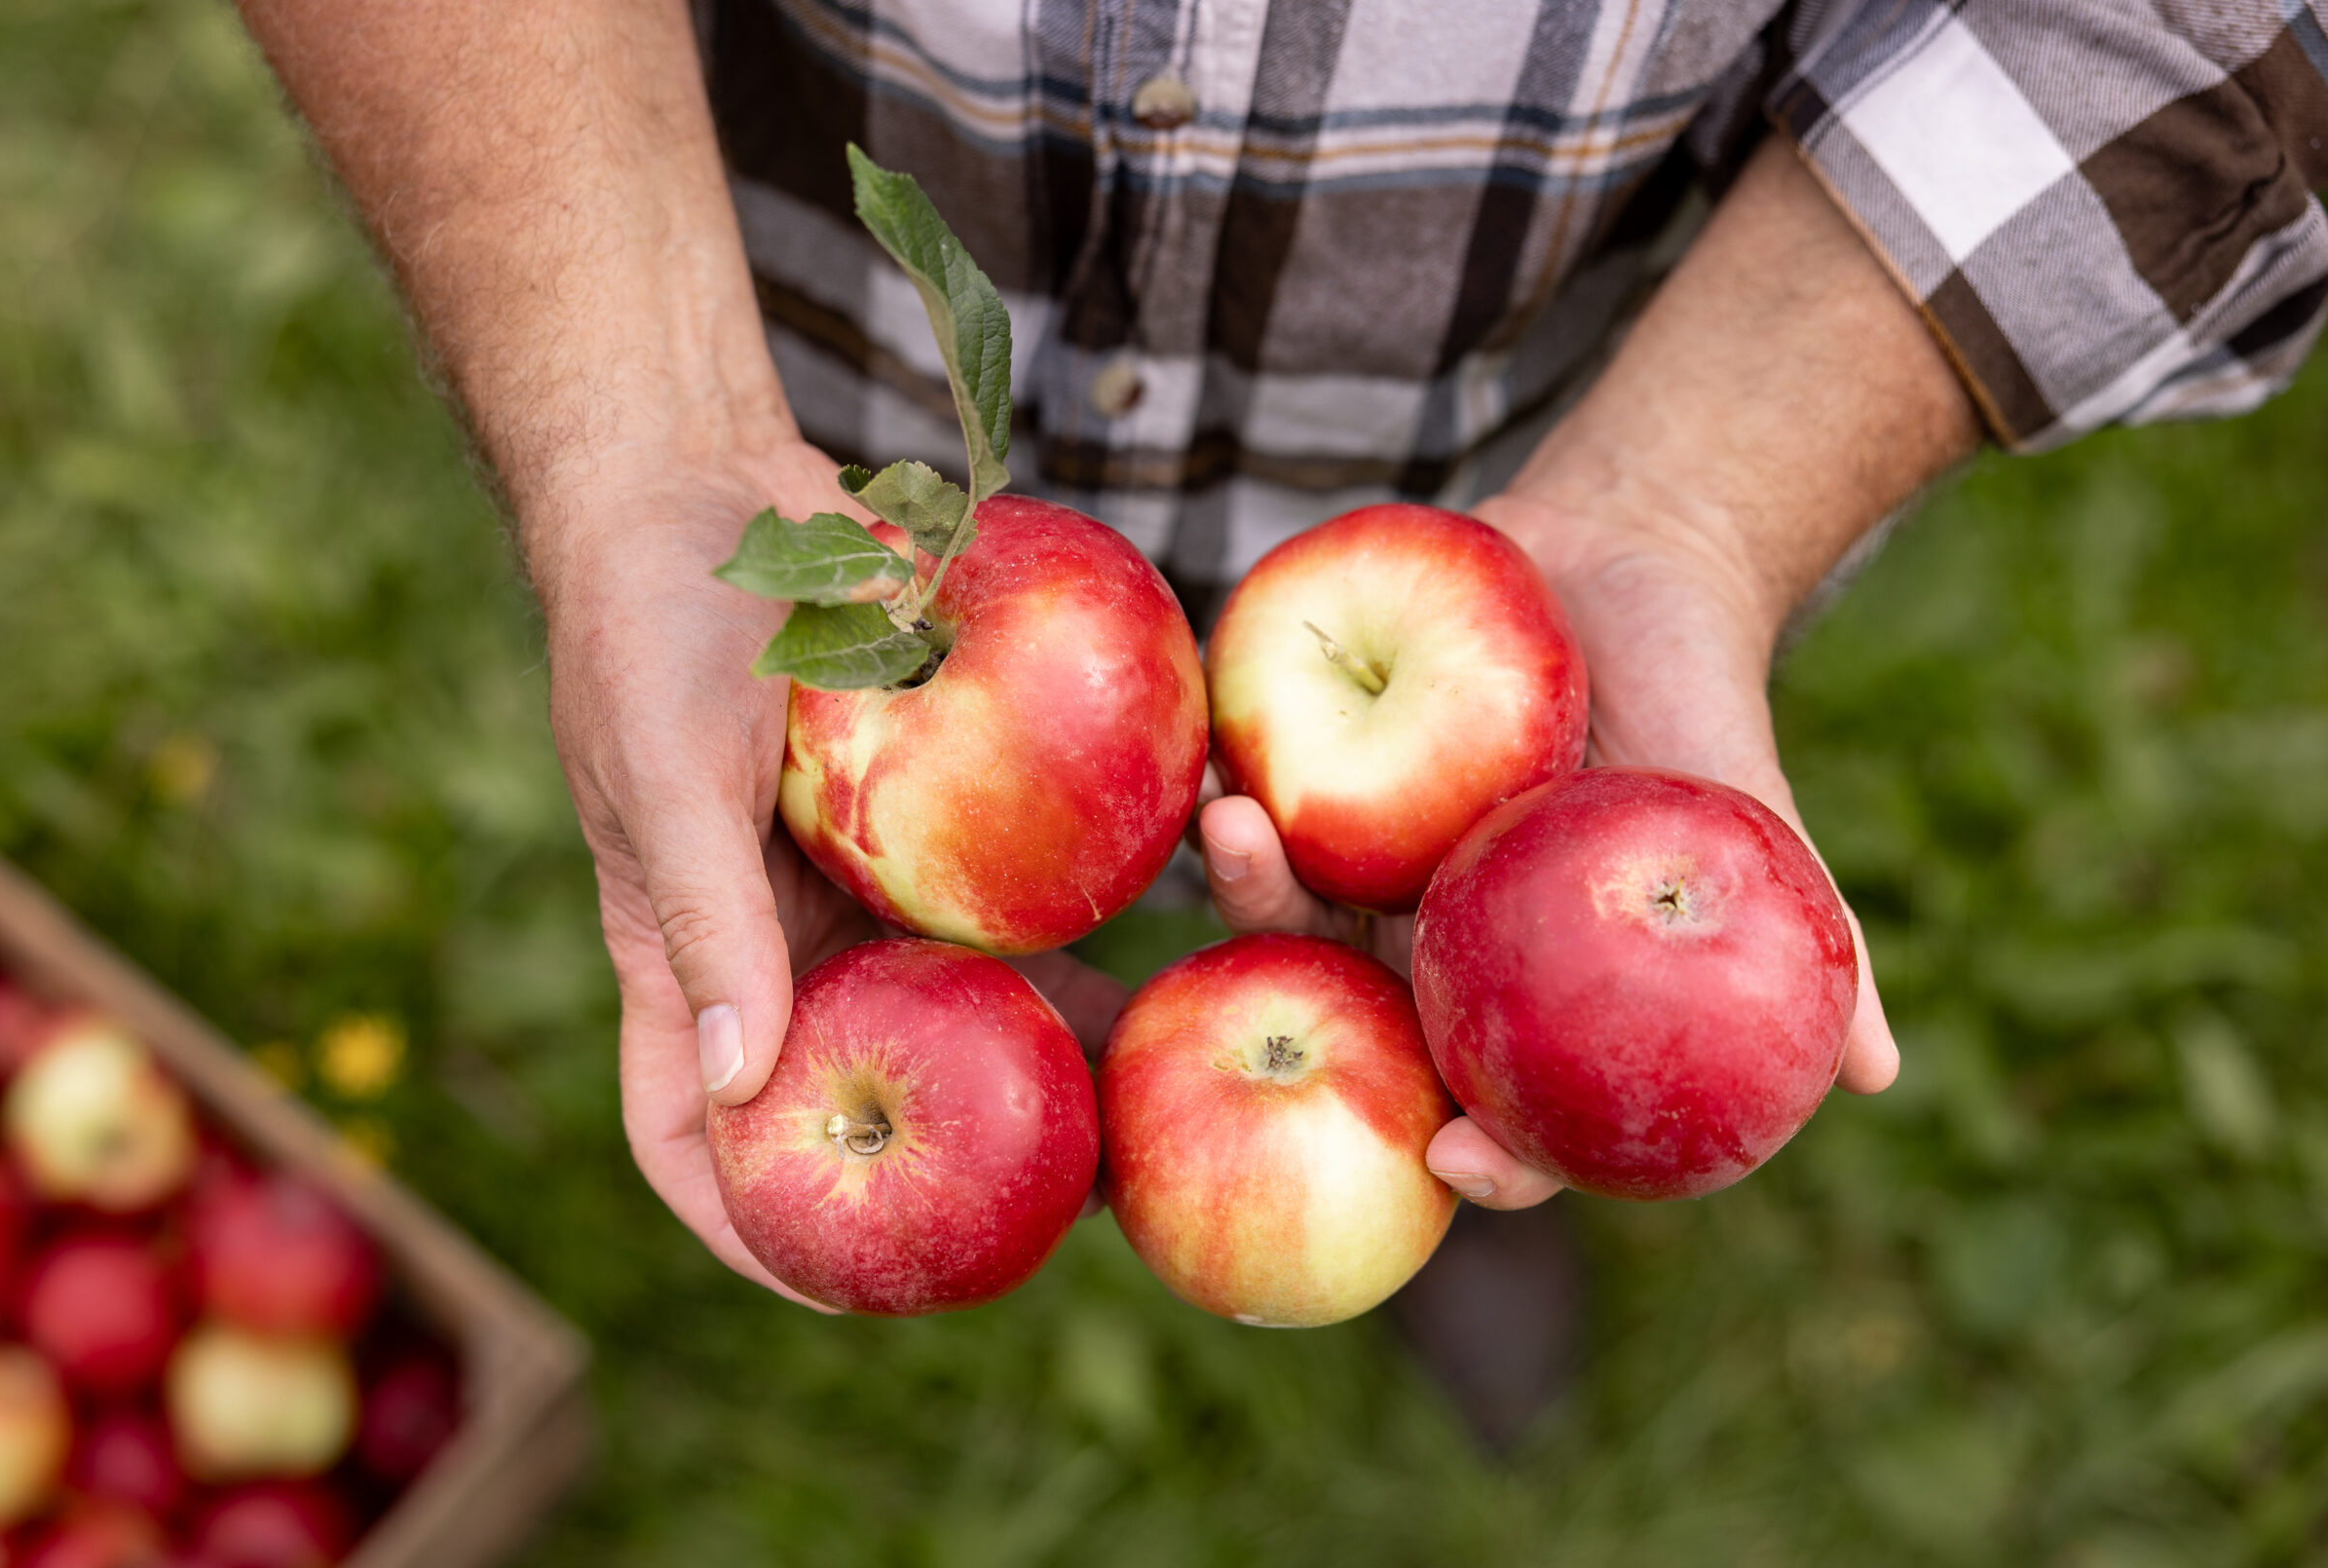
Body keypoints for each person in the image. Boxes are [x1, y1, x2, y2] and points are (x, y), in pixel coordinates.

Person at [230, 0, 2328, 1361]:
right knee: (1339, 973)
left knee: (1502, 987)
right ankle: (1383, 1076)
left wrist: (1695, 498)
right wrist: (640, 430)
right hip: (814, 358)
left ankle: (1473, 1096)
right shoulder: (865, 586)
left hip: (1573, 375)